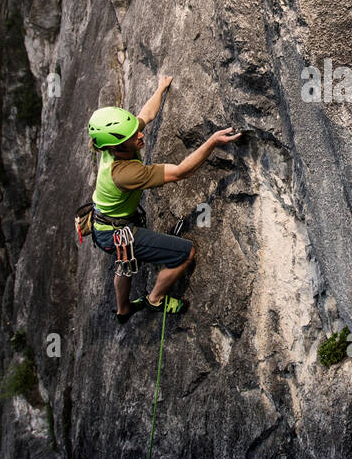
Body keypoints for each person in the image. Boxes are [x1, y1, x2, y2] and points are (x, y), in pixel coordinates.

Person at [87, 76, 241, 322]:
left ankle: (123, 309)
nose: (139, 135)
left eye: (135, 130)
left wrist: (160, 88)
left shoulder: (115, 142)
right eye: (132, 136)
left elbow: (146, 115)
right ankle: (155, 299)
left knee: (125, 259)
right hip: (114, 231)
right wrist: (212, 142)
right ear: (116, 147)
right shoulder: (125, 173)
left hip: (106, 226)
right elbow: (181, 171)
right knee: (185, 253)